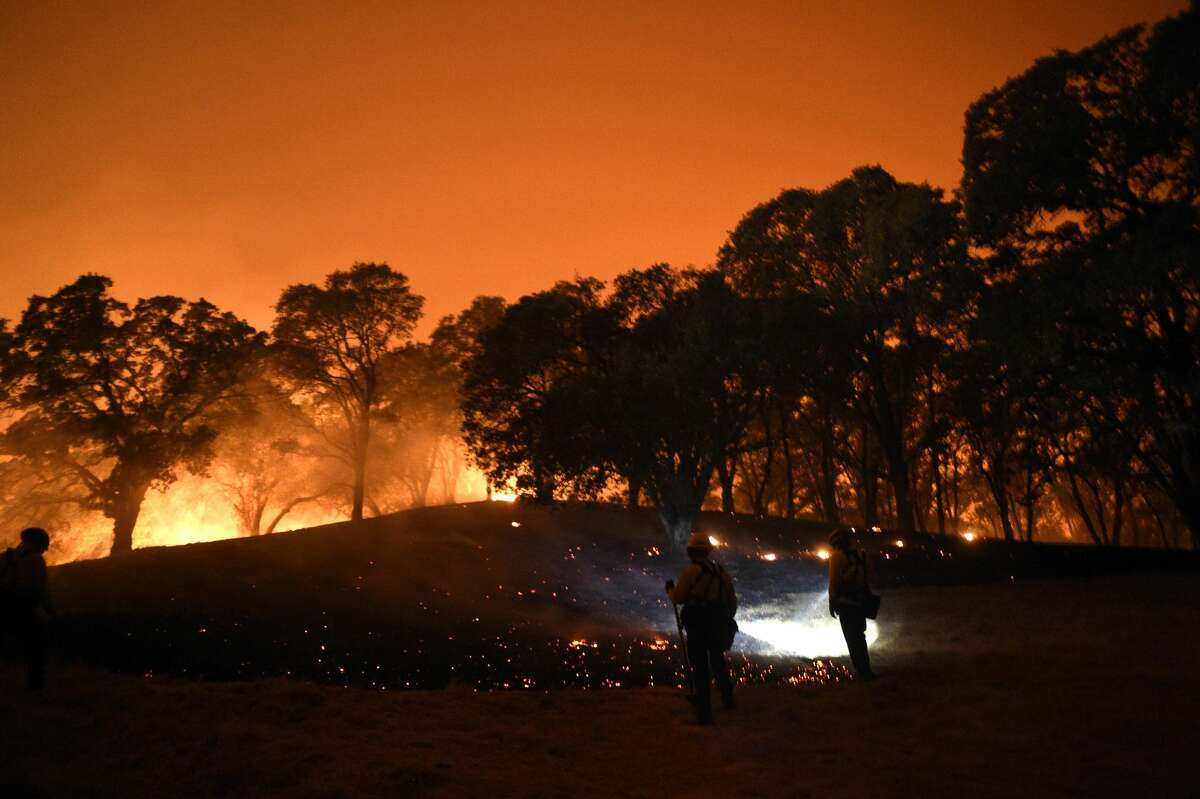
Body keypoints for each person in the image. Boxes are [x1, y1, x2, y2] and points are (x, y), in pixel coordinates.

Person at [665, 532, 737, 724]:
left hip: (697, 623)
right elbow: (732, 604)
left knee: (700, 666)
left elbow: (679, 598)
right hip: (717, 622)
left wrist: (670, 590)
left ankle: (704, 712)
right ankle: (728, 698)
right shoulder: (722, 573)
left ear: (691, 552)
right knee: (718, 661)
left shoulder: (691, 571)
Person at [0, 527, 54, 689]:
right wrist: (51, 611)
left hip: (2, 607)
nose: (46, 549)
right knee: (36, 646)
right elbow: (41, 590)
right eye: (45, 545)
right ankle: (35, 686)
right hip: (22, 609)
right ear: (39, 543)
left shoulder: (4, 556)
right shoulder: (36, 560)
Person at [827, 527, 875, 680]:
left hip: (846, 603)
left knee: (852, 639)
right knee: (860, 637)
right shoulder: (861, 555)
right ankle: (866, 669)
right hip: (861, 602)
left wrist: (832, 602)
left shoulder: (836, 557)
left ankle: (861, 672)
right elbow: (870, 575)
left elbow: (834, 582)